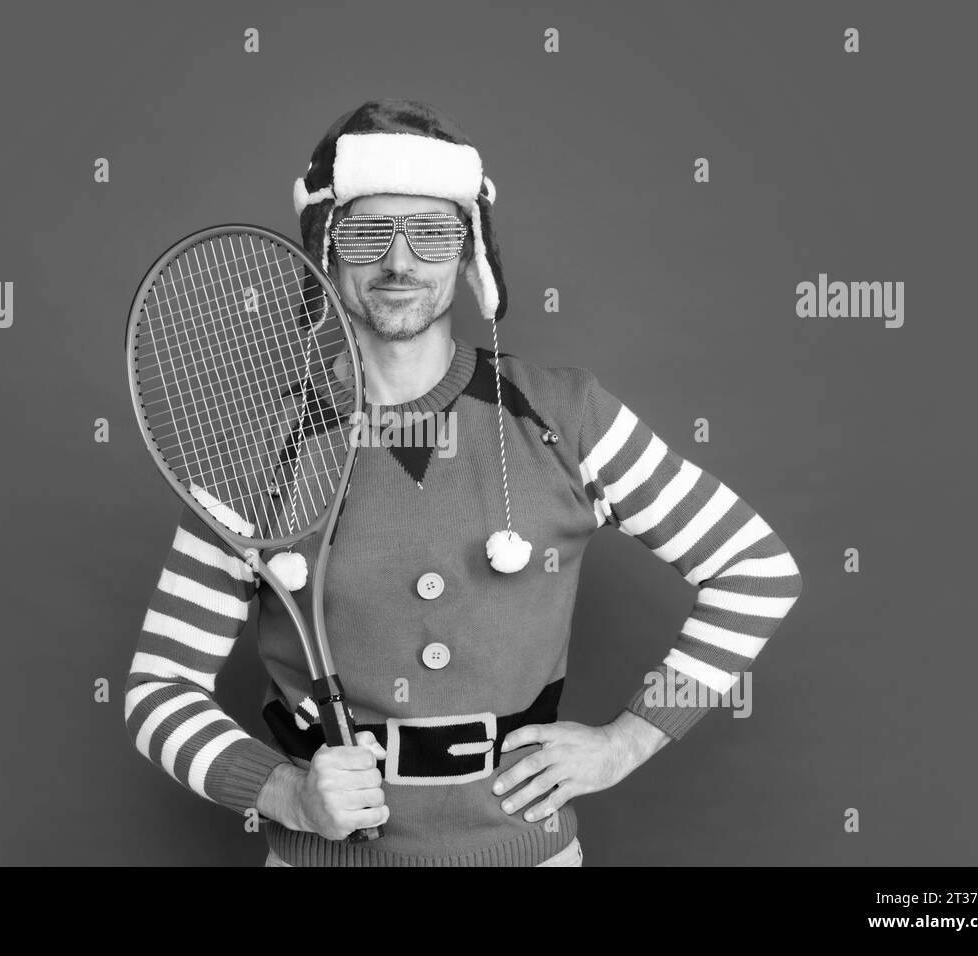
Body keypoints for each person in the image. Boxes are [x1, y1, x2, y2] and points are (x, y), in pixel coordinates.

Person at [123, 99, 803, 866]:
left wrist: (627, 743)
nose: (400, 261)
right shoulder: (259, 452)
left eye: (434, 232)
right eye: (368, 231)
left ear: (469, 253)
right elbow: (159, 687)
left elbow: (757, 570)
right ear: (325, 250)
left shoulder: (564, 416)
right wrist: (284, 792)